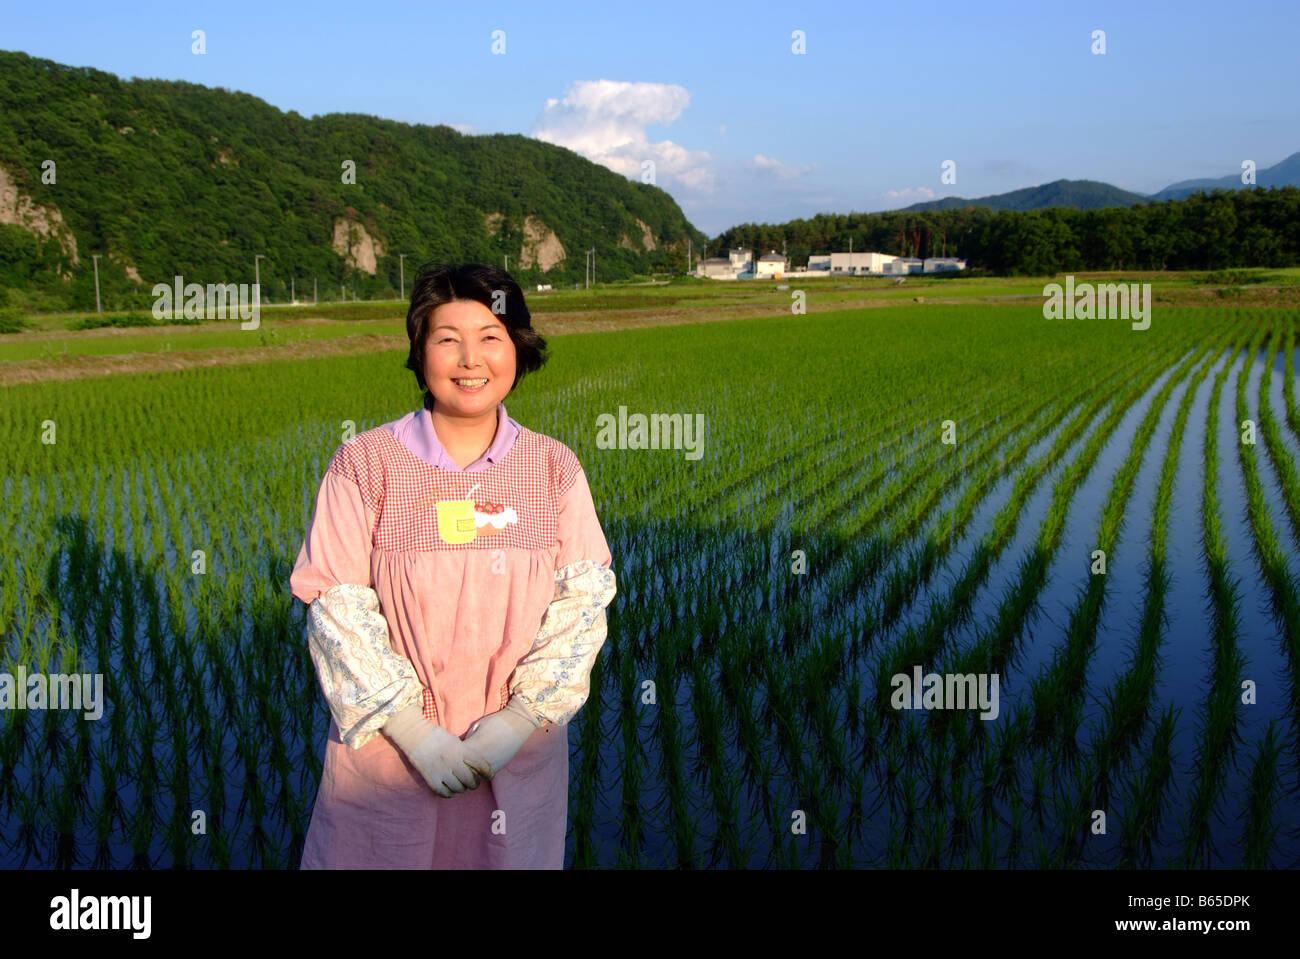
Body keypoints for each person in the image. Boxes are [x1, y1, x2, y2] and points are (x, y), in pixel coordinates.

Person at [289, 263, 616, 868]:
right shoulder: (367, 464)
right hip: (389, 761)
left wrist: (519, 720)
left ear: (517, 348)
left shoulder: (553, 470)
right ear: (420, 351)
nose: (471, 359)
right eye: (447, 338)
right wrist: (416, 734)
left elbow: (583, 603)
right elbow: (334, 603)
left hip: (519, 758)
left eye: (491, 337)